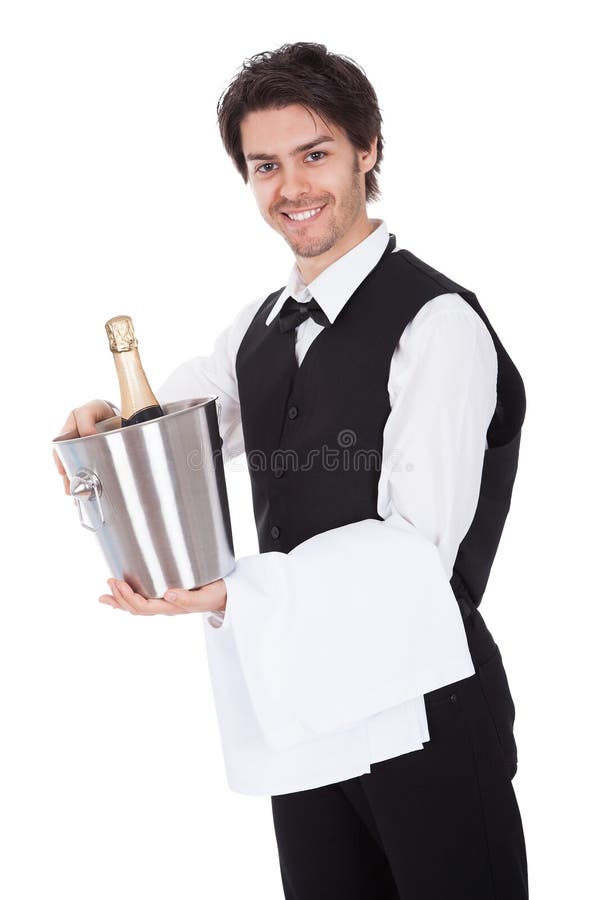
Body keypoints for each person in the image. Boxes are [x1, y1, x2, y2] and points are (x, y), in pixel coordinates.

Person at [54, 42, 529, 899]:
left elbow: (418, 546)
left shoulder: (439, 322)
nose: (291, 188)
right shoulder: (258, 328)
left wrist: (235, 593)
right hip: (303, 706)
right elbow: (176, 424)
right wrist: (107, 426)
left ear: (366, 149)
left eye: (315, 155)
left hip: (424, 705)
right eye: (265, 166)